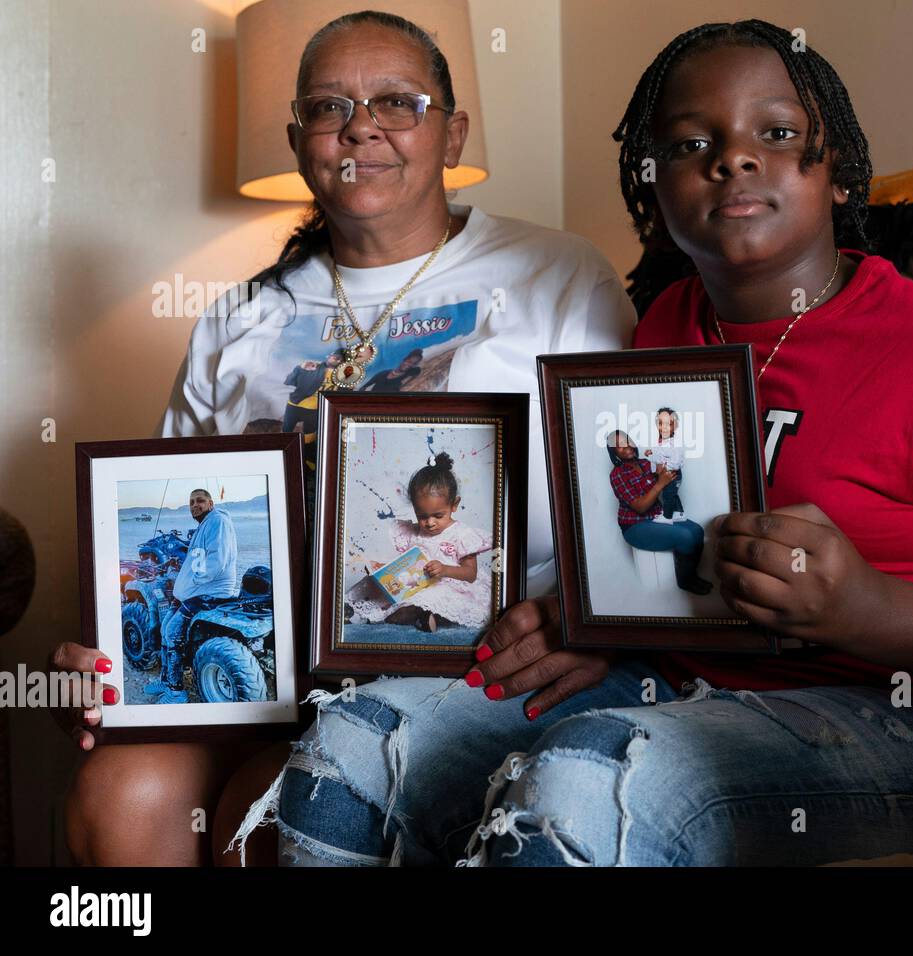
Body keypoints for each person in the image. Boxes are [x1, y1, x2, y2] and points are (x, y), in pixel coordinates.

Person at [238, 18, 913, 868]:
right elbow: (645, 552)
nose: (734, 158)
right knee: (355, 744)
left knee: (592, 776)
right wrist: (589, 620)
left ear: (838, 169)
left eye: (779, 133)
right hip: (671, 684)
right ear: (653, 185)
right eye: (688, 145)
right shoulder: (660, 328)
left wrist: (870, 610)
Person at [54, 10, 635, 866]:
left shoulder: (559, 274)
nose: (362, 125)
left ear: (452, 131)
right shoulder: (240, 316)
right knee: (122, 790)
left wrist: (589, 624)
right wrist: (105, 652)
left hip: (458, 666)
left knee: (268, 806)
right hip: (267, 667)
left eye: (397, 101)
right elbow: (156, 497)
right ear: (299, 140)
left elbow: (625, 492)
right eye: (330, 107)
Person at [349, 452, 493, 632]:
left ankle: (426, 615)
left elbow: (470, 574)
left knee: (432, 596)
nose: (430, 523)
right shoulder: (414, 532)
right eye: (422, 516)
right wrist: (383, 568)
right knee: (381, 591)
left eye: (438, 515)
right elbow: (406, 565)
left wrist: (445, 569)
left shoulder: (462, 534)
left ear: (454, 505)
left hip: (450, 587)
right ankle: (362, 611)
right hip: (415, 585)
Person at [143, 489, 239, 704]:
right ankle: (167, 681)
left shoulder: (217, 521)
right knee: (165, 628)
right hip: (195, 593)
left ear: (211, 504)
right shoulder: (204, 524)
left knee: (173, 632)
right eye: (191, 502)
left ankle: (177, 692)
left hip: (210, 593)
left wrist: (194, 579)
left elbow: (217, 558)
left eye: (200, 501)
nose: (195, 505)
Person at [606, 429, 711, 594]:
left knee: (697, 531)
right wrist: (660, 483)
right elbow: (640, 506)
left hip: (657, 517)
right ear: (613, 452)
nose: (626, 446)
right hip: (635, 525)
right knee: (685, 537)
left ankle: (690, 574)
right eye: (619, 446)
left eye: (628, 441)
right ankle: (686, 582)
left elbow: (667, 473)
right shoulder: (617, 475)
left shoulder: (646, 463)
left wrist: (669, 462)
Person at [644, 407, 686, 522]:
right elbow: (659, 456)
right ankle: (679, 513)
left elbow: (676, 463)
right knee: (672, 494)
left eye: (669, 424)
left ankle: (667, 517)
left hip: (672, 474)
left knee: (668, 495)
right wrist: (650, 453)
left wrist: (664, 467)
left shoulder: (675, 444)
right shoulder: (660, 441)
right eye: (661, 424)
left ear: (675, 426)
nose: (665, 428)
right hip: (665, 473)